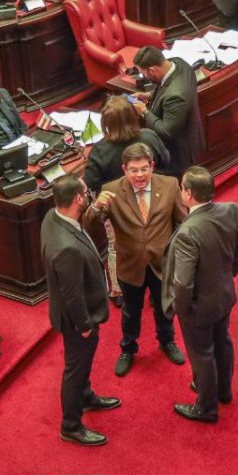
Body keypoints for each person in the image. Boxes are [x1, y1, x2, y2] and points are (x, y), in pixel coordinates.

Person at [85, 144, 187, 378]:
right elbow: (89, 226)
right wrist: (95, 207)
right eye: (133, 170)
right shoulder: (110, 191)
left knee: (165, 309)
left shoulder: (170, 185)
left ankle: (167, 341)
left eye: (143, 169)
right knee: (131, 312)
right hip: (130, 266)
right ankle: (128, 349)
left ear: (152, 166)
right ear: (124, 169)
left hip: (163, 264)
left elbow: (183, 223)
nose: (139, 175)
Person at [164, 166, 238, 422]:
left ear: (189, 194)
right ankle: (223, 391)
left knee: (201, 353)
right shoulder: (230, 210)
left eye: (182, 188)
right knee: (223, 341)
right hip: (224, 296)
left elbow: (183, 282)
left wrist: (181, 309)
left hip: (198, 306)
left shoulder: (187, 232)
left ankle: (206, 407)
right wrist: (229, 273)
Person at [44, 177, 121, 446]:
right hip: (78, 320)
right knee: (75, 369)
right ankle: (71, 425)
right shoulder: (67, 248)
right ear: (78, 199)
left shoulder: (52, 217)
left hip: (72, 313)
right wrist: (85, 324)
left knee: (81, 366)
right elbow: (73, 294)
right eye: (86, 193)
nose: (88, 196)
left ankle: (86, 396)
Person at [131, 46, 202, 177]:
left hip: (179, 154)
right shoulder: (178, 63)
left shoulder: (175, 96)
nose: (144, 77)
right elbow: (166, 86)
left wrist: (145, 112)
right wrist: (149, 95)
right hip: (191, 132)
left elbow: (166, 131)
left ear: (152, 70)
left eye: (144, 73)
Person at [82, 94, 167, 192]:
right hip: (153, 191)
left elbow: (91, 183)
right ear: (134, 115)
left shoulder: (99, 150)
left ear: (106, 123)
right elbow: (165, 162)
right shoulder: (150, 136)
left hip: (117, 201)